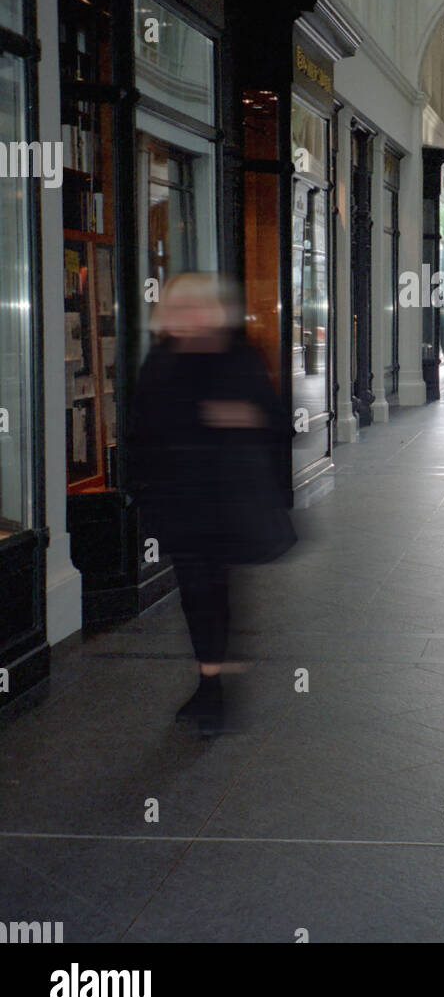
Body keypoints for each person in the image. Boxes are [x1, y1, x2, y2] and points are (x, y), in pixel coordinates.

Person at [127, 272, 295, 736]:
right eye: (181, 308)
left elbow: (276, 422)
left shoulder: (235, 356)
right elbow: (141, 426)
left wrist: (236, 416)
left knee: (211, 593)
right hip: (178, 500)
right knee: (194, 596)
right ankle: (210, 679)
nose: (189, 317)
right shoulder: (160, 359)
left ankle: (213, 685)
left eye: (197, 307)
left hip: (224, 500)